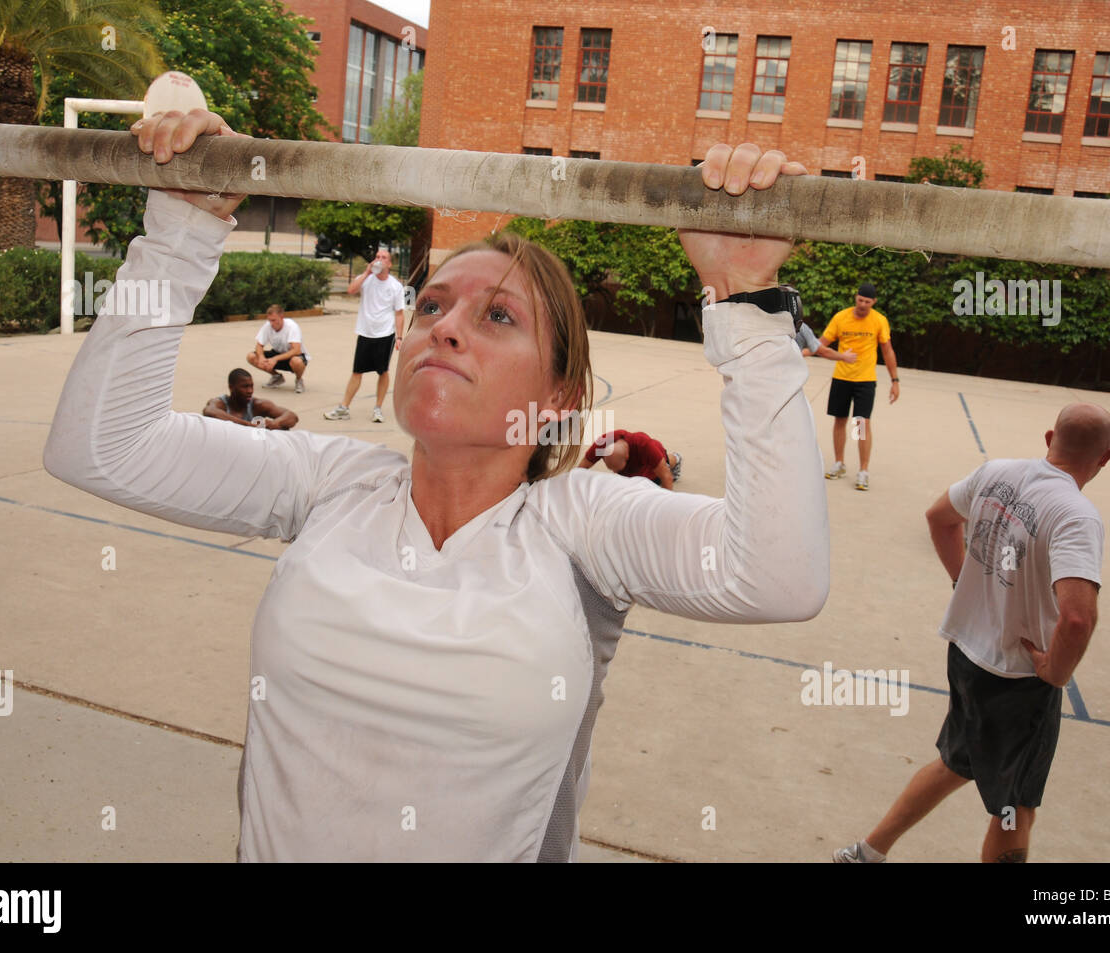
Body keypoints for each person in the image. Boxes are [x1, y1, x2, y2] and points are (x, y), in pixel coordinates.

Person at [44, 110, 828, 862]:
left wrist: (747, 300)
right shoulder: (331, 482)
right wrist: (182, 229)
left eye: (497, 318)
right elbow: (103, 446)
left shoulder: (579, 526)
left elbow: (775, 576)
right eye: (432, 306)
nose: (443, 327)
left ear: (558, 399)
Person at [834, 403, 1110, 864]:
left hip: (966, 653)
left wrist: (962, 581)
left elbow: (939, 518)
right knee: (1017, 804)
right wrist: (1055, 671)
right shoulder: (1075, 516)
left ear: (1050, 438)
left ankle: (865, 853)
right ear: (1105, 458)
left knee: (956, 762)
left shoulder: (996, 472)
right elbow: (1078, 618)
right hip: (1017, 678)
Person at [819, 283, 899, 490]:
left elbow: (887, 351)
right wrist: (803, 352)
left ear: (874, 302)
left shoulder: (879, 321)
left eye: (867, 301)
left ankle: (863, 470)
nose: (862, 304)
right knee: (840, 420)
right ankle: (839, 463)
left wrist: (895, 381)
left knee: (860, 424)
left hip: (864, 380)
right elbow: (822, 343)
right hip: (841, 378)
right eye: (860, 300)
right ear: (855, 298)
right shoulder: (841, 318)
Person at [323, 249, 406, 423]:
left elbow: (399, 313)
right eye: (377, 257)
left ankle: (377, 409)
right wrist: (367, 272)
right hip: (365, 332)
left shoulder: (395, 286)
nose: (379, 260)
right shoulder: (366, 279)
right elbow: (351, 290)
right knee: (357, 371)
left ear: (389, 264)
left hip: (385, 334)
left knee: (382, 371)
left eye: (383, 258)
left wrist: (399, 337)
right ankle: (344, 408)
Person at [578, 430, 683, 490]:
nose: (614, 472)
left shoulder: (644, 446)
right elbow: (581, 468)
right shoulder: (603, 443)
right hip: (631, 473)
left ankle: (676, 459)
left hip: (650, 472)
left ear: (627, 456)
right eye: (611, 468)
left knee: (664, 465)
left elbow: (666, 477)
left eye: (617, 469)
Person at [204, 368, 299, 430]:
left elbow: (291, 416)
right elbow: (210, 411)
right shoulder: (220, 403)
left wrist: (274, 424)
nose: (250, 391)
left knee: (283, 428)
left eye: (251, 386)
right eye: (245, 387)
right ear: (231, 387)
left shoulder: (258, 404)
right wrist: (249, 426)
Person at [247, 304, 310, 394]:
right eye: (269, 320)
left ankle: (299, 380)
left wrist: (275, 359)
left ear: (281, 317)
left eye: (274, 320)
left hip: (293, 356)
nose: (271, 323)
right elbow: (259, 345)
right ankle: (276, 377)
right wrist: (261, 357)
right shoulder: (267, 326)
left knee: (296, 361)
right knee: (251, 356)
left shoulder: (292, 326)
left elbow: (296, 350)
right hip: (277, 353)